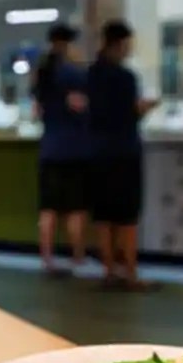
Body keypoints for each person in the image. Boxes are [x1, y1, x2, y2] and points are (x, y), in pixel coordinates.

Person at [87, 20, 157, 290]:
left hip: (98, 151)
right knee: (127, 216)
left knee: (104, 215)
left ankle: (108, 270)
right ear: (119, 44)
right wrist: (146, 107)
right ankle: (130, 273)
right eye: (128, 44)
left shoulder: (91, 75)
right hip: (124, 149)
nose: (129, 49)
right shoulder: (126, 77)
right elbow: (130, 113)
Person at [33, 23, 93, 275]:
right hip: (74, 148)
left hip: (49, 148)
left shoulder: (42, 73)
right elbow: (83, 107)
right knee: (75, 208)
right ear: (68, 44)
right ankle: (77, 257)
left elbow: (37, 112)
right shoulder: (73, 74)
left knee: (48, 208)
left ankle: (47, 259)